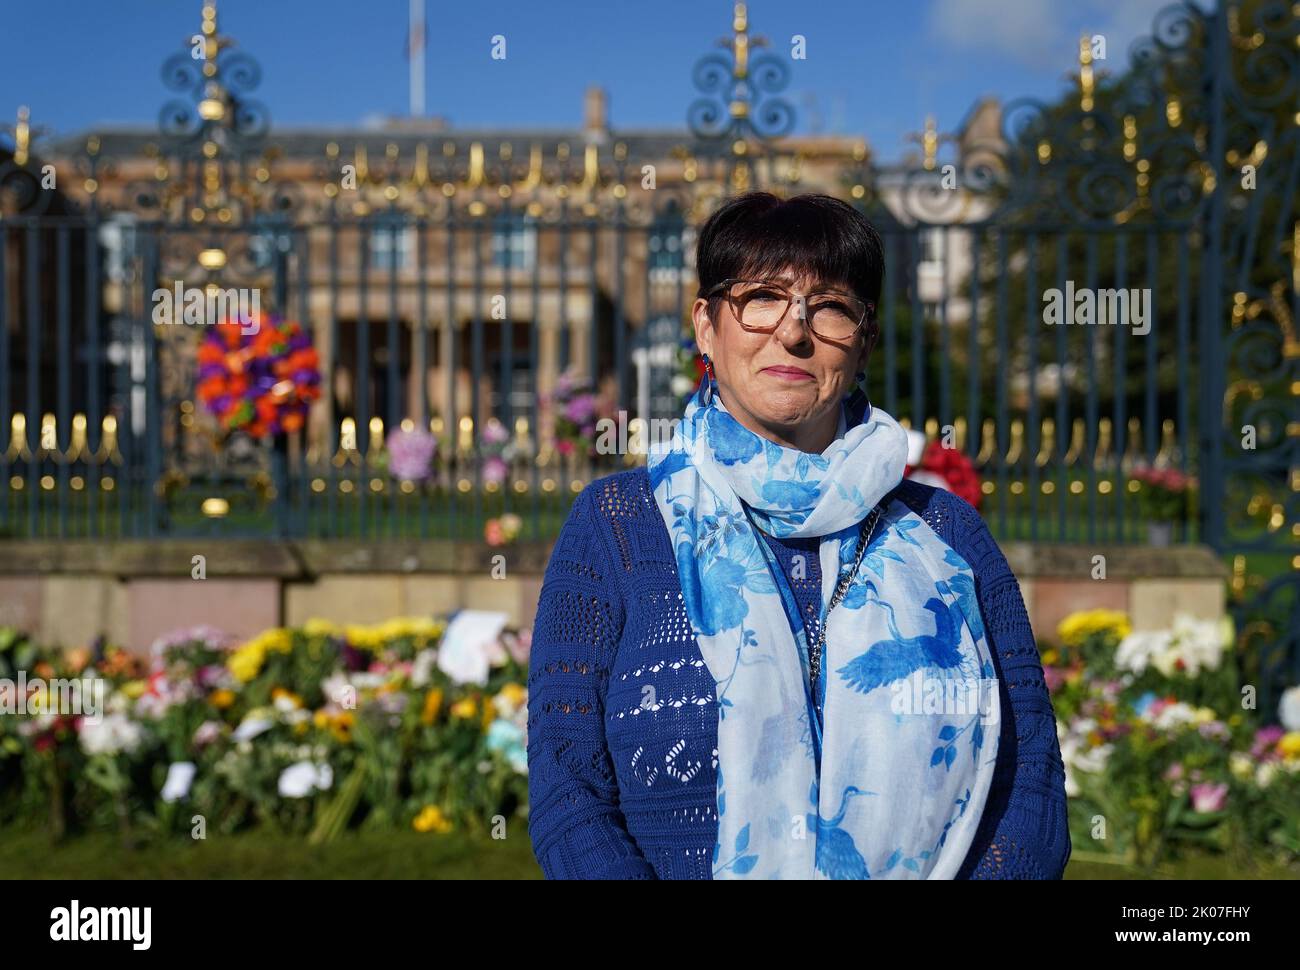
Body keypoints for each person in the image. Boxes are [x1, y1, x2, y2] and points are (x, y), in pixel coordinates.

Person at [527, 191, 1070, 879]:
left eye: (832, 306)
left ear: (864, 341)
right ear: (705, 325)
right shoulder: (618, 527)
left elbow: (1030, 787)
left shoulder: (947, 532)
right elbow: (568, 784)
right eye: (762, 297)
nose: (794, 332)